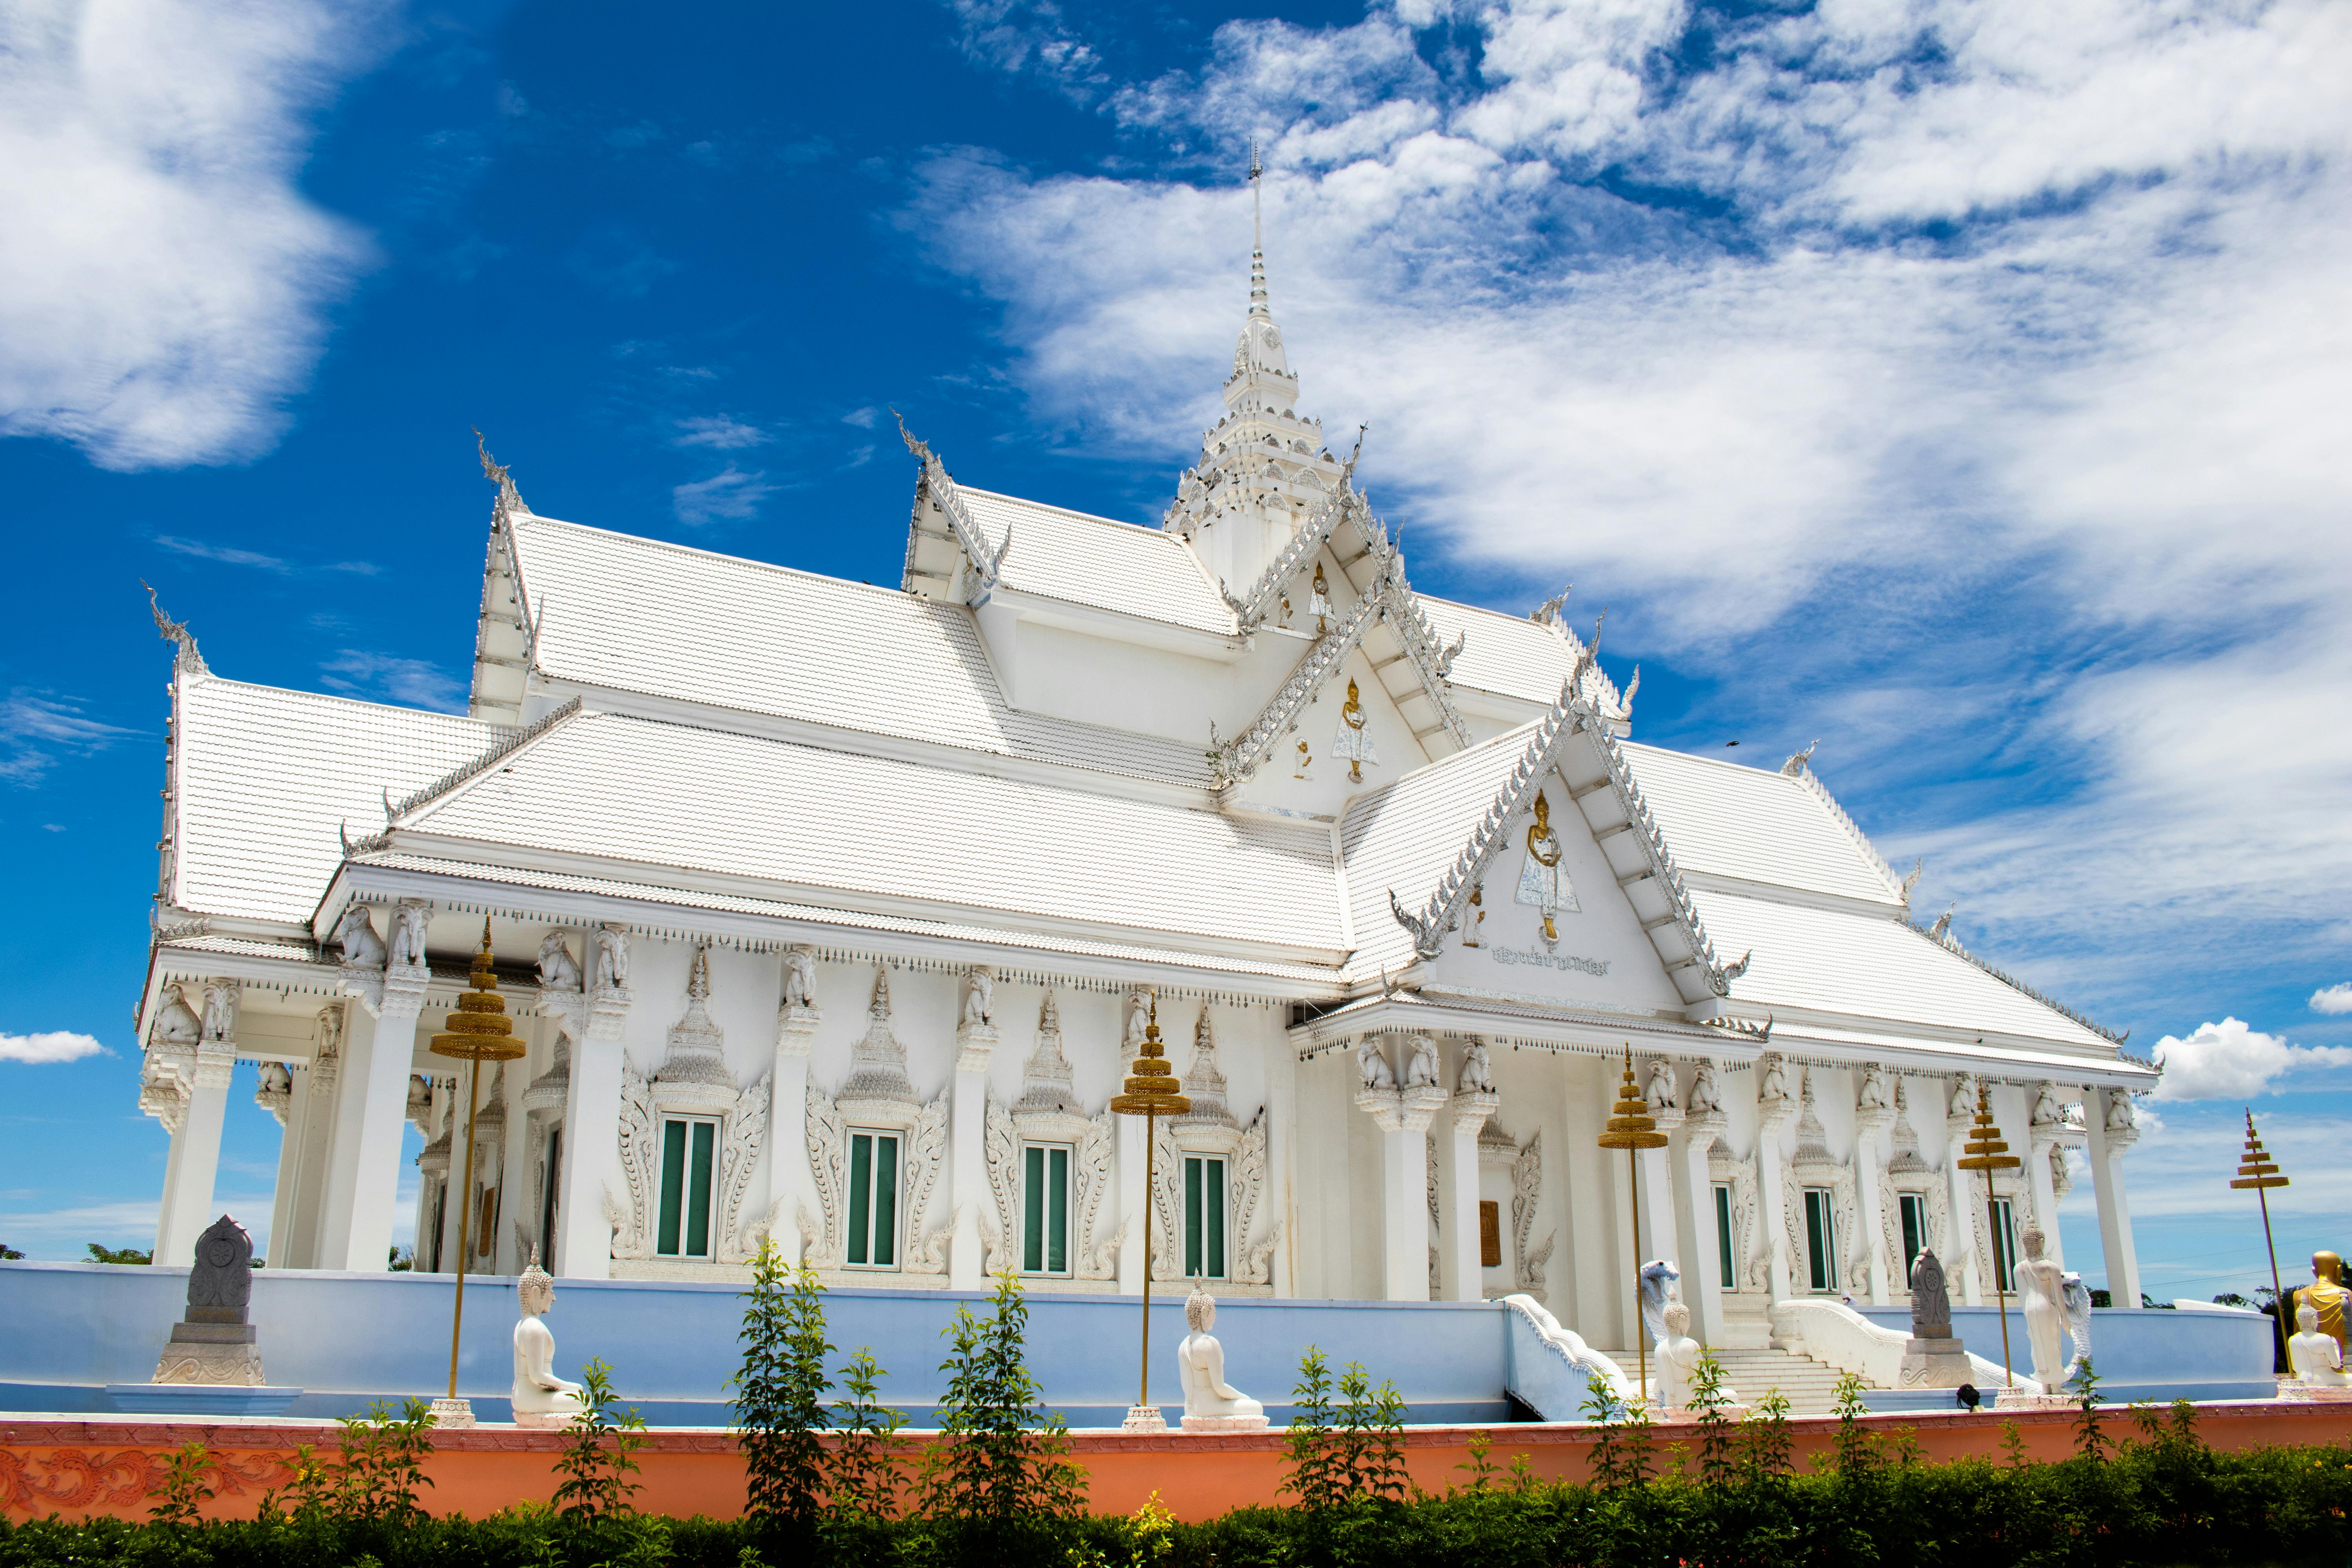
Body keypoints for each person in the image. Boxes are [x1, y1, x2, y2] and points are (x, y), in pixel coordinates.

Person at [511, 1250, 588, 1428]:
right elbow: (537, 1376)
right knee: (585, 1402)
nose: (554, 1298)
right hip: (531, 1397)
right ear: (536, 1293)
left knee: (582, 1398)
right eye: (551, 1292)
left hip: (529, 1395)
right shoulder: (533, 1328)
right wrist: (568, 1386)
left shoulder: (523, 1325)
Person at [1176, 1287, 1266, 1428]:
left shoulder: (1183, 1346)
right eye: (1214, 1312)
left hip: (1191, 1408)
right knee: (1256, 1407)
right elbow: (1220, 1388)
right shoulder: (1208, 1344)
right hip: (1210, 1408)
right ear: (1204, 1312)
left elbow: (1185, 1387)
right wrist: (1243, 1397)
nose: (1216, 1317)